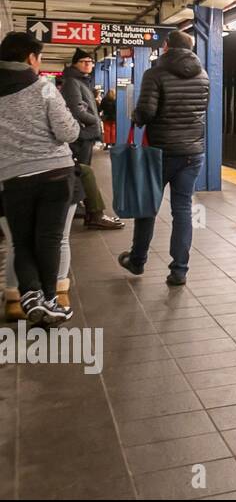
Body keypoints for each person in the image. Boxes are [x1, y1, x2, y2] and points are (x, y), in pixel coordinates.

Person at [116, 30, 209, 288]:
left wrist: (136, 117)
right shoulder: (203, 76)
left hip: (159, 153)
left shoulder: (154, 74)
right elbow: (201, 110)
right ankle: (179, 270)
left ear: (166, 46)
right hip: (192, 152)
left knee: (147, 207)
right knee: (182, 209)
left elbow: (146, 111)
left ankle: (137, 260)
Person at [0, 31, 78, 324]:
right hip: (55, 175)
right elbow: (68, 132)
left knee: (21, 242)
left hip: (13, 178)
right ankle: (47, 300)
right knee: (49, 239)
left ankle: (30, 294)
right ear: (31, 58)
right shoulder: (43, 88)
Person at [62, 49, 124, 230]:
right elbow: (76, 110)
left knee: (83, 172)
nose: (88, 64)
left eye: (90, 61)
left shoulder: (79, 81)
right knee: (83, 172)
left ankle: (86, 208)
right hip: (81, 136)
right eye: (84, 61)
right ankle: (91, 213)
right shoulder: (73, 82)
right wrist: (96, 121)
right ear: (75, 63)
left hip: (85, 134)